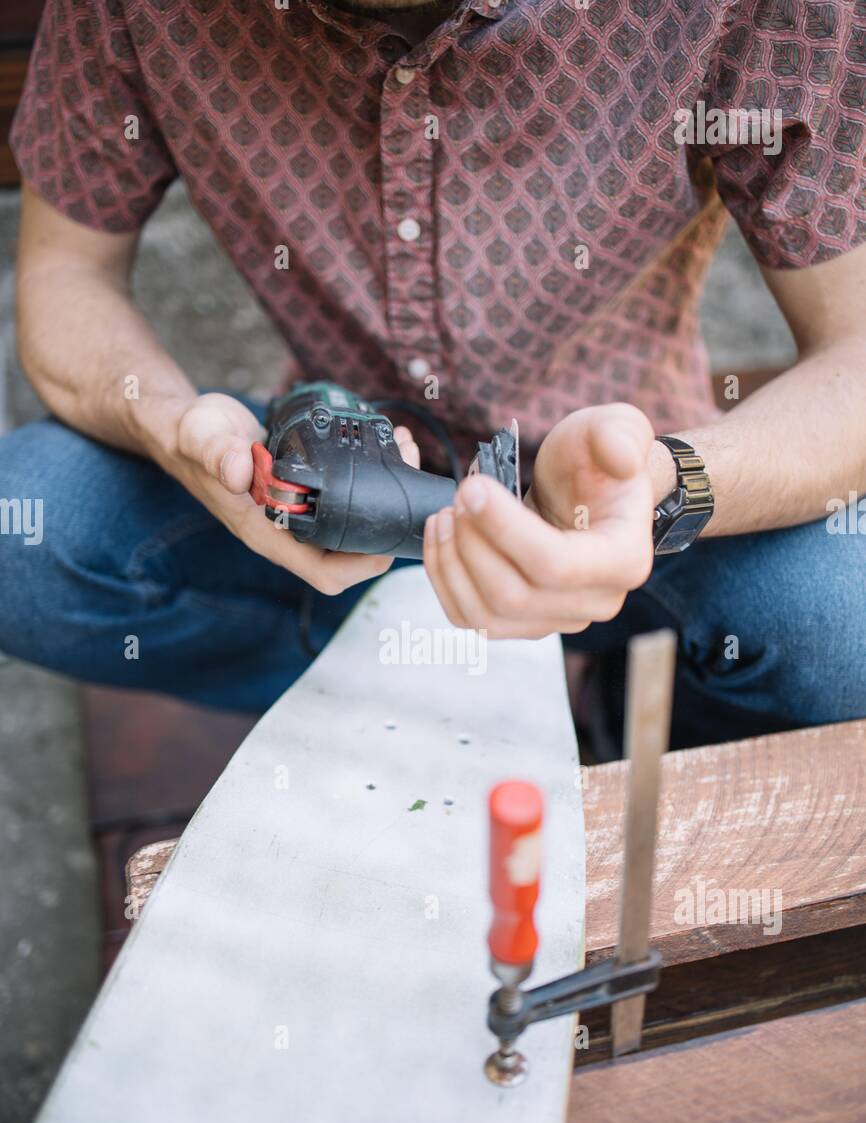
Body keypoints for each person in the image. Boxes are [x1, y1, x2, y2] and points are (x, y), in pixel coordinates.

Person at [1, 0, 864, 749]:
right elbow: (65, 275)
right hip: (345, 509)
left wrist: (662, 487)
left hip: (632, 504)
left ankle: (629, 724)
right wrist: (174, 428)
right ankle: (387, 698)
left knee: (840, 619)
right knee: (24, 537)